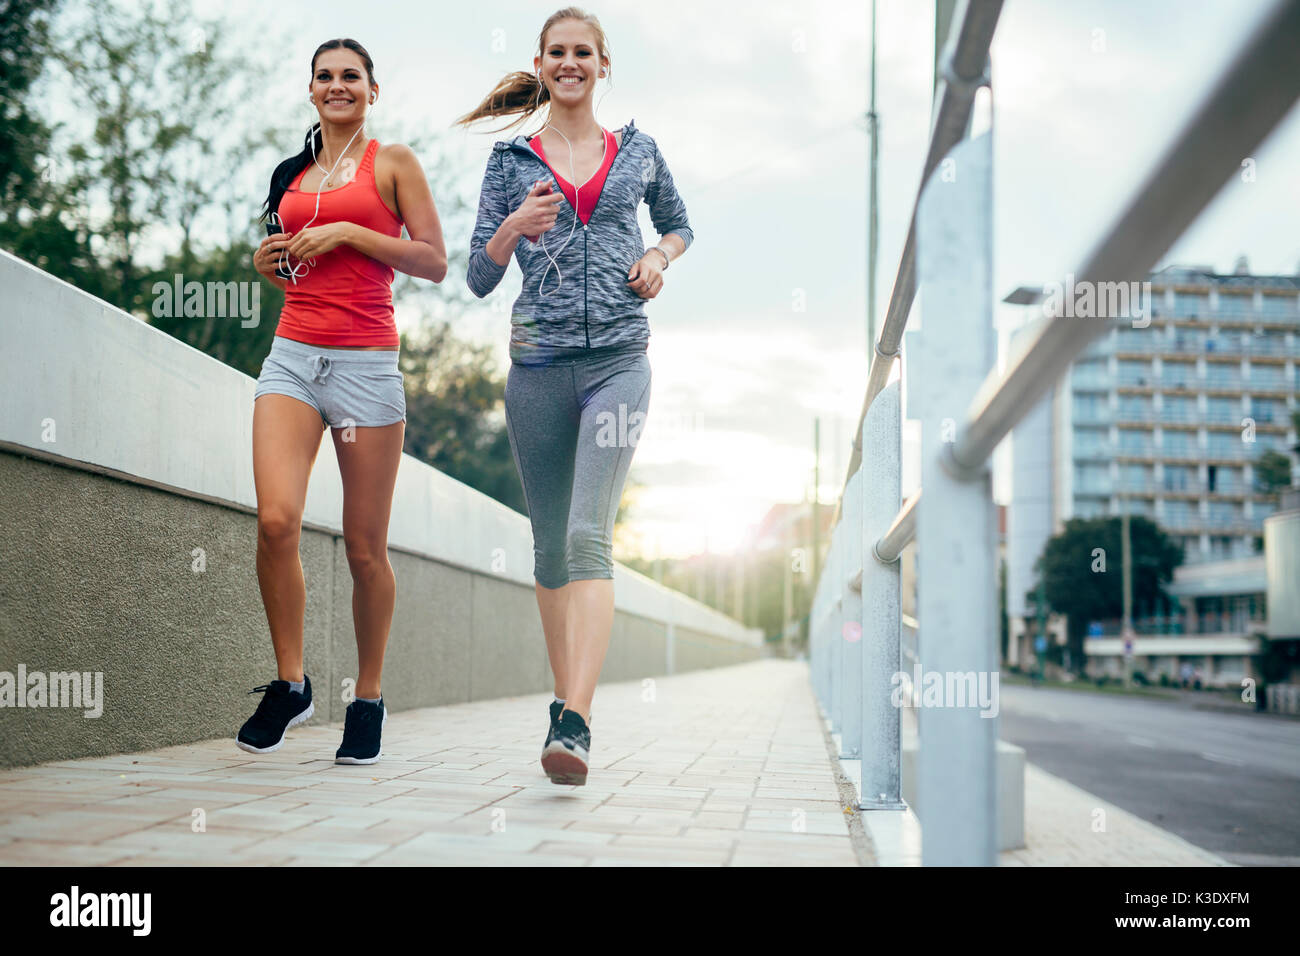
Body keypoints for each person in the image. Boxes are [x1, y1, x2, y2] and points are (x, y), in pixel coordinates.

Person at [457, 7, 693, 785]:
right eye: (557, 52)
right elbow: (480, 276)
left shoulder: (639, 149)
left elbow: (680, 225)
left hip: (619, 363)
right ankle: (565, 702)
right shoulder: (508, 162)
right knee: (549, 544)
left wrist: (659, 255)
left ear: (602, 64)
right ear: (541, 62)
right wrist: (514, 226)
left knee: (591, 533)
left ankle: (580, 721)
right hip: (538, 368)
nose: (570, 63)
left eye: (582, 53)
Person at [241, 38, 446, 764]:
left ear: (371, 88)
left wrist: (355, 230)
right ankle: (292, 684)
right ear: (311, 90)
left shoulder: (392, 163)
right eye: (325, 76)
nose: (337, 86)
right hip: (293, 357)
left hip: (366, 368)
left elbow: (434, 260)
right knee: (275, 521)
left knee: (364, 549)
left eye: (349, 76)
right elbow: (291, 263)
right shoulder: (291, 175)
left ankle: (367, 696)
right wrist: (268, 263)